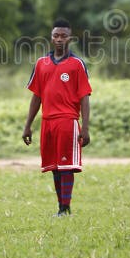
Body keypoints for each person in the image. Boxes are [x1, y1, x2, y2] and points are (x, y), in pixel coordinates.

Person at [22, 19, 91, 217]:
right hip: (47, 122)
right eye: (55, 35)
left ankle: (65, 208)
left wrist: (85, 128)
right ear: (51, 38)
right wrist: (28, 126)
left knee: (66, 166)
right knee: (54, 166)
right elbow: (37, 96)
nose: (59, 39)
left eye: (63, 35)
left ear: (70, 38)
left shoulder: (76, 64)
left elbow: (84, 97)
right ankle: (61, 207)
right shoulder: (41, 64)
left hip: (67, 121)